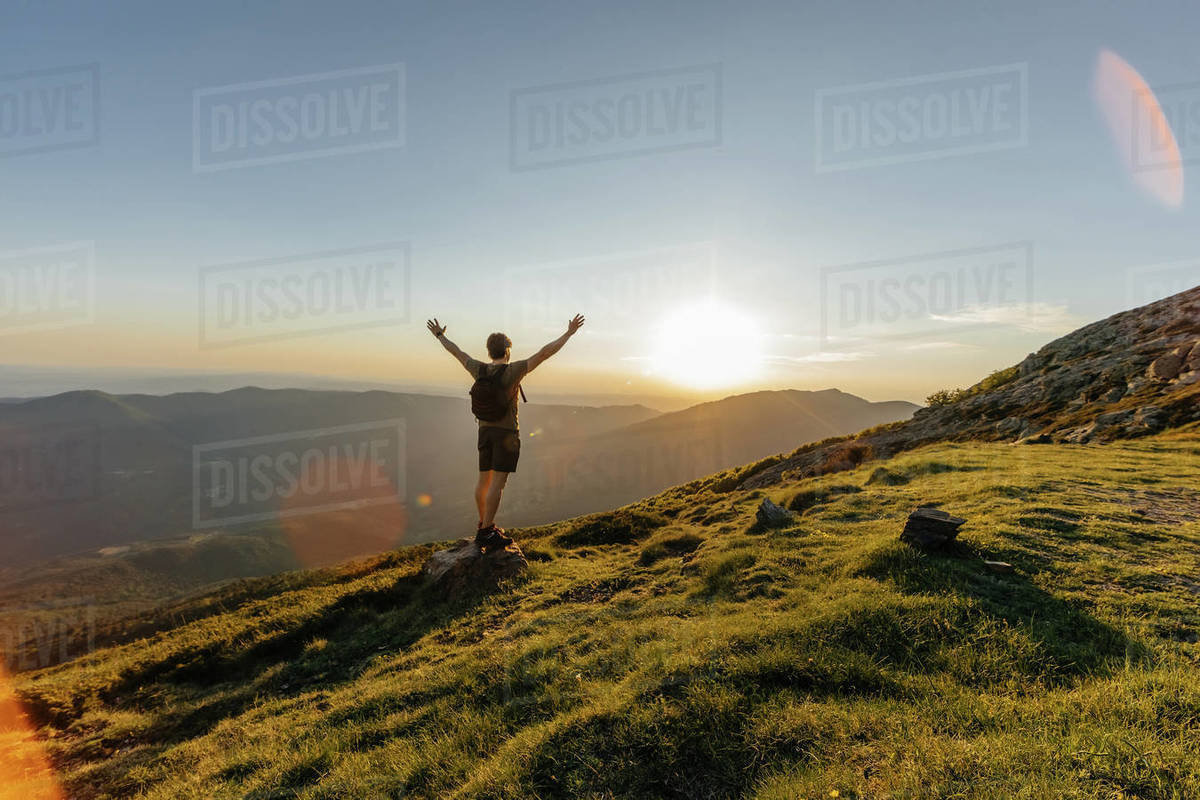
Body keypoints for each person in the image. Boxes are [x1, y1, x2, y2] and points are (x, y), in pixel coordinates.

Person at [427, 313, 585, 550]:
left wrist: (440, 336)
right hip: (506, 435)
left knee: (483, 481)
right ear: (507, 350)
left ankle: (484, 524)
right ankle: (488, 532)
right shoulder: (514, 371)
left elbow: (457, 352)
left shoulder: (477, 369)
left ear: (489, 351)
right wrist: (569, 333)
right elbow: (544, 352)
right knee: (497, 485)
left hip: (484, 433)